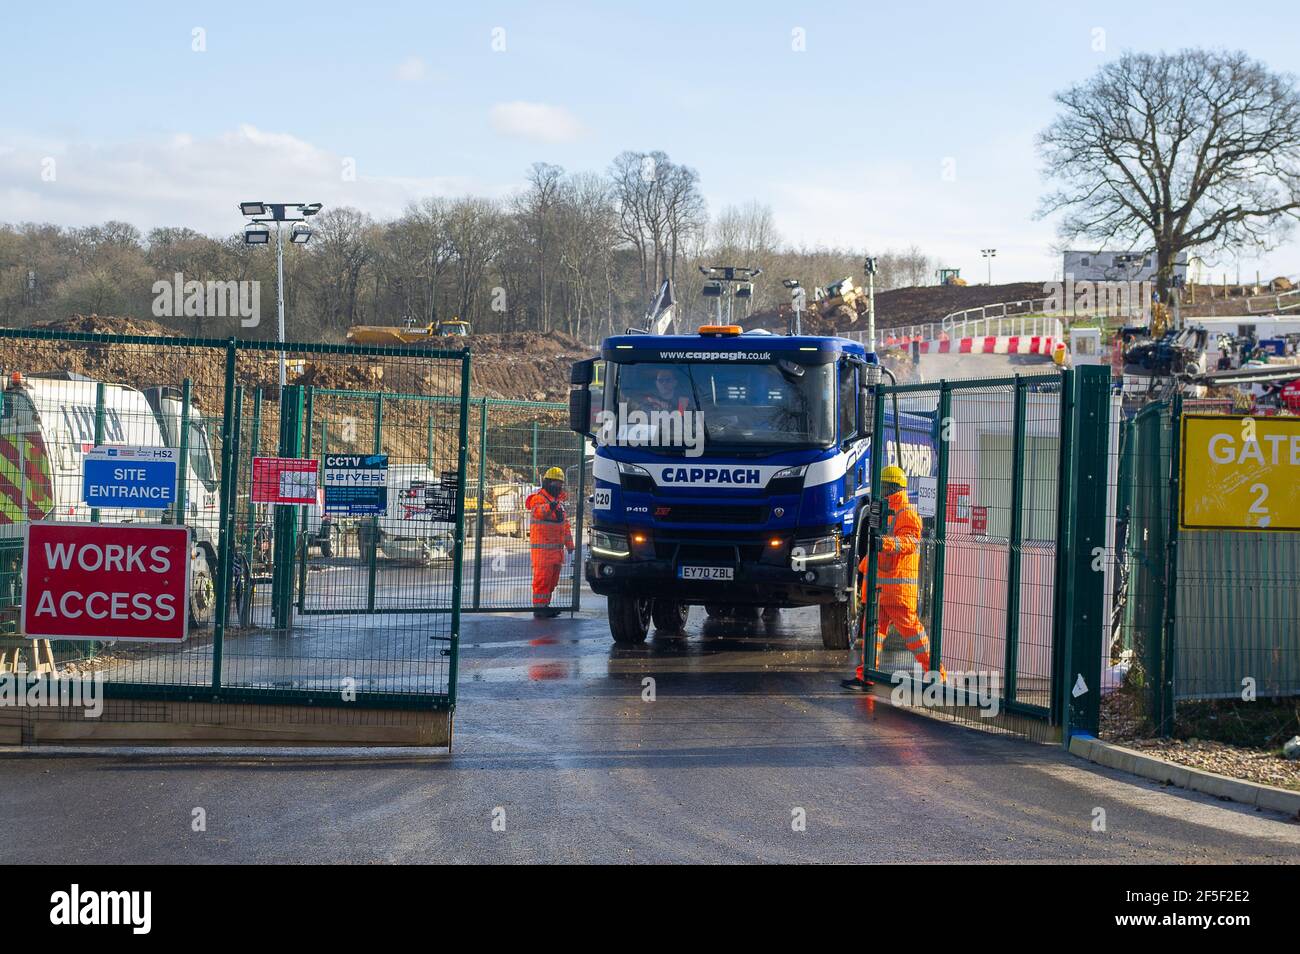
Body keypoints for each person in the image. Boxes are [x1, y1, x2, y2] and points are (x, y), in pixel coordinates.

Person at [842, 465, 947, 691]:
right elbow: (878, 550)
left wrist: (886, 543)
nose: (881, 489)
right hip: (879, 590)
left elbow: (910, 542)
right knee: (872, 635)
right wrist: (864, 567)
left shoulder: (906, 513)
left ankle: (938, 676)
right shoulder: (883, 512)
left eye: (884, 485)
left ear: (891, 487)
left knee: (914, 636)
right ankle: (865, 676)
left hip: (897, 590)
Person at [526, 467, 574, 619]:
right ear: (547, 482)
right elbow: (538, 512)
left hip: (556, 551)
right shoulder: (538, 498)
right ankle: (539, 609)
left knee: (552, 582)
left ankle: (545, 606)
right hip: (542, 552)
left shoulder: (558, 502)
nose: (558, 485)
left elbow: (564, 526)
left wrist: (570, 544)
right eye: (555, 482)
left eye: (560, 482)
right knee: (542, 581)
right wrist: (550, 506)